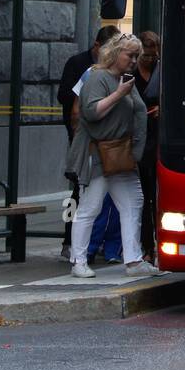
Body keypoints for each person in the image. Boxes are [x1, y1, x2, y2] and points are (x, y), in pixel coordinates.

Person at [65, 33, 158, 278]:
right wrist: (119, 94)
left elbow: (137, 111)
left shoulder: (125, 79)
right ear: (116, 53)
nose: (134, 60)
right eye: (130, 54)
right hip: (100, 153)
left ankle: (134, 261)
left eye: (136, 56)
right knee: (90, 206)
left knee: (132, 203)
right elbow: (92, 112)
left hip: (121, 154)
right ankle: (79, 261)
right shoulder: (98, 77)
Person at [56, 25, 120, 260]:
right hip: (85, 139)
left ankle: (99, 245)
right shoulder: (83, 66)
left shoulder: (110, 70)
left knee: (100, 194)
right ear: (97, 46)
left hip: (103, 139)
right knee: (80, 191)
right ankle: (72, 242)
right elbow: (67, 99)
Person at [135, 31, 161, 263]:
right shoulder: (130, 73)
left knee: (156, 195)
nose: (150, 60)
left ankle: (158, 244)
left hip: (157, 136)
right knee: (142, 196)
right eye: (146, 55)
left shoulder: (162, 71)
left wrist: (163, 110)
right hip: (138, 139)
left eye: (153, 56)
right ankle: (146, 246)